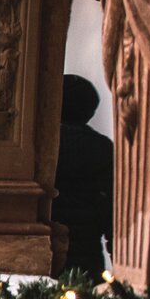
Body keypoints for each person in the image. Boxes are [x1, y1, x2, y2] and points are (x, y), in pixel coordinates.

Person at [54, 73, 113, 275]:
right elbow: (113, 212)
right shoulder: (104, 149)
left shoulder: (39, 149)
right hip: (89, 260)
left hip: (47, 254)